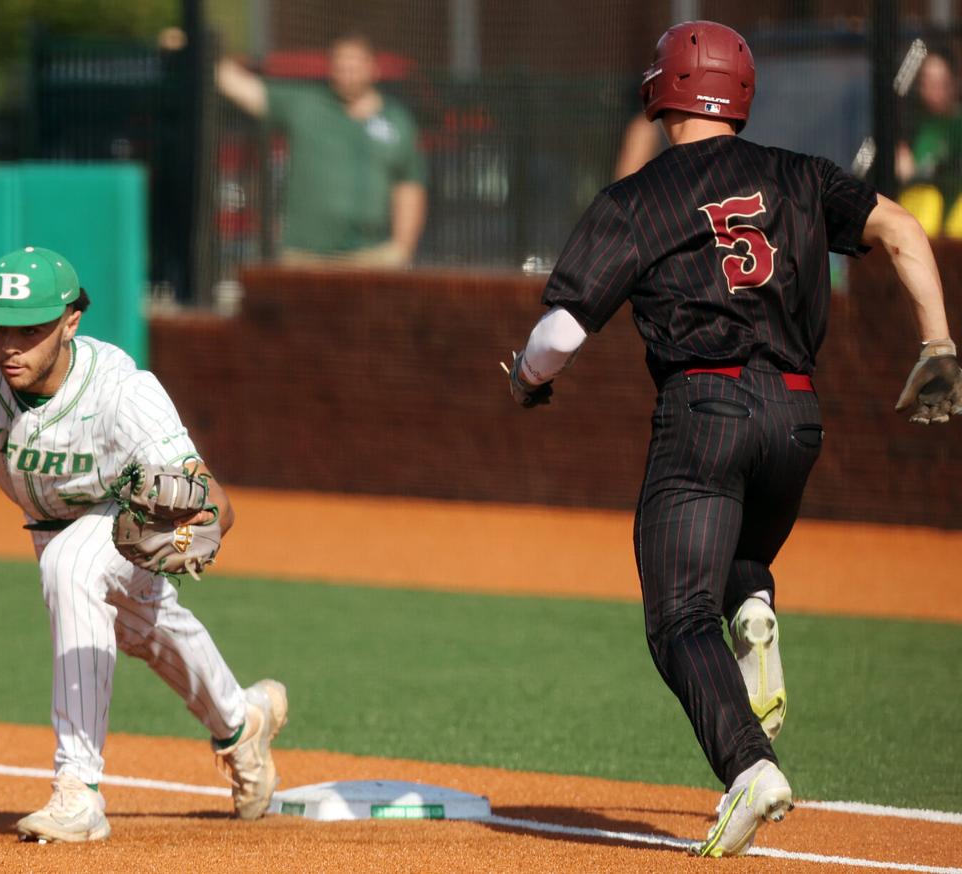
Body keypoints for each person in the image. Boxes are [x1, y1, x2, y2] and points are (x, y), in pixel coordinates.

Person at [504, 21, 960, 858]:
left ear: (661, 91)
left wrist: (526, 380)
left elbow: (560, 336)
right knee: (740, 551)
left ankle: (749, 765)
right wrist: (937, 343)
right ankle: (752, 603)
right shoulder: (800, 173)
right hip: (797, 415)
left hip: (706, 410)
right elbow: (901, 229)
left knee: (678, 616)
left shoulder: (637, 198)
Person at [0, 246, 289, 842]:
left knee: (72, 566)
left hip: (123, 517)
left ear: (71, 322)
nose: (11, 346)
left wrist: (182, 534)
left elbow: (216, 504)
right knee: (143, 628)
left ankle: (78, 790)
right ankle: (241, 723)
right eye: (2, 328)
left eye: (31, 330)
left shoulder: (122, 392)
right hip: (47, 523)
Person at [216, 31, 427, 266]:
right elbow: (243, 89)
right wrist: (203, 48)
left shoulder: (397, 121)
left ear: (373, 68)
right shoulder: (305, 105)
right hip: (305, 258)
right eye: (341, 65)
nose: (347, 71)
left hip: (372, 258)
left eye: (355, 64)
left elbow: (409, 185)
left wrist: (402, 248)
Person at [897, 51, 962, 237]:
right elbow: (903, 168)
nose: (933, 88)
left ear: (954, 83)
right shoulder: (912, 125)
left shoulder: (958, 124)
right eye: (927, 81)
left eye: (940, 81)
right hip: (918, 212)